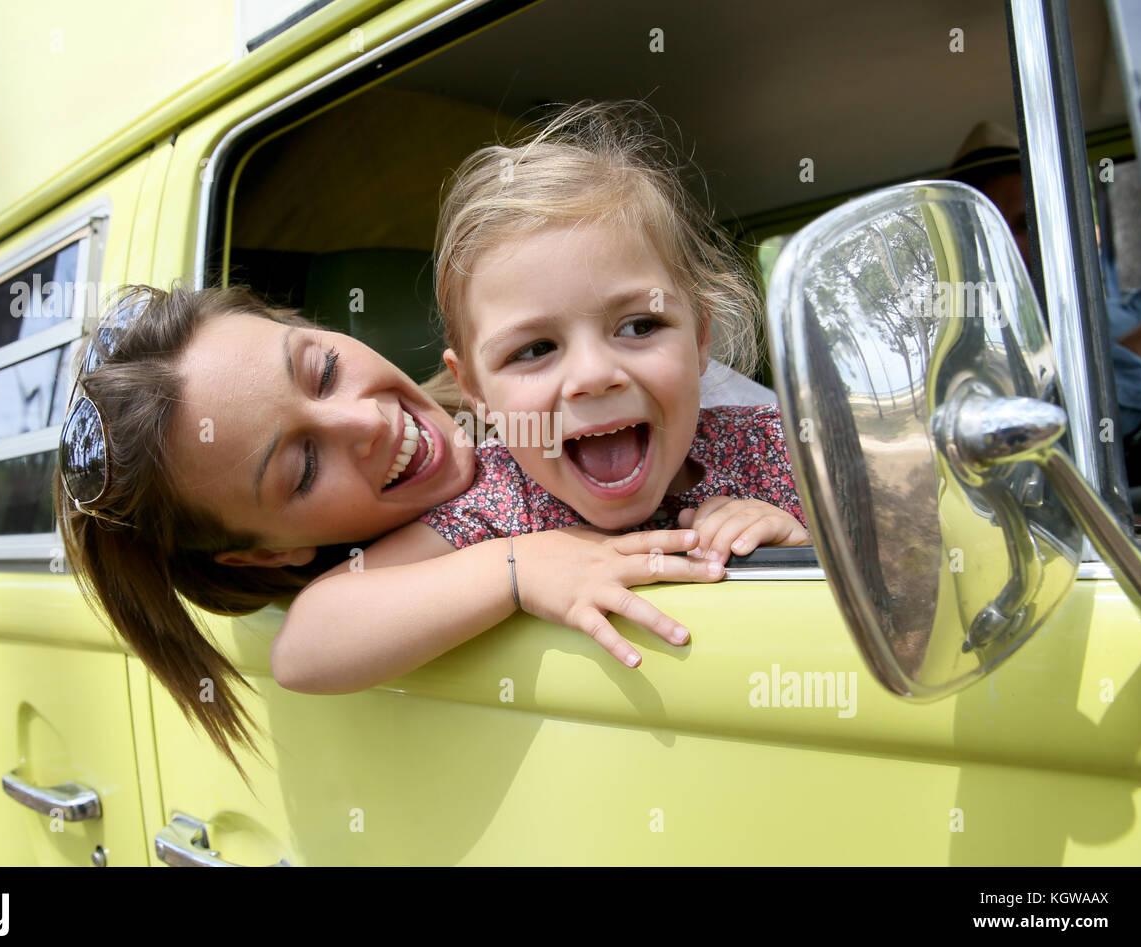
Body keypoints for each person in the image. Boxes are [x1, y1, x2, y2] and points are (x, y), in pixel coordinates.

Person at [272, 101, 810, 694]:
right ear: (475, 389)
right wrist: (516, 569)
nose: (593, 376)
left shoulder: (776, 446)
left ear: (701, 337)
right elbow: (305, 647)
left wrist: (796, 539)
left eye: (638, 327)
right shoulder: (504, 504)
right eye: (533, 350)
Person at [944, 121, 1141, 490]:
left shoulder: (1115, 304)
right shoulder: (976, 345)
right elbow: (1088, 410)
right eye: (986, 227)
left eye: (1024, 223)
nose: (1007, 243)